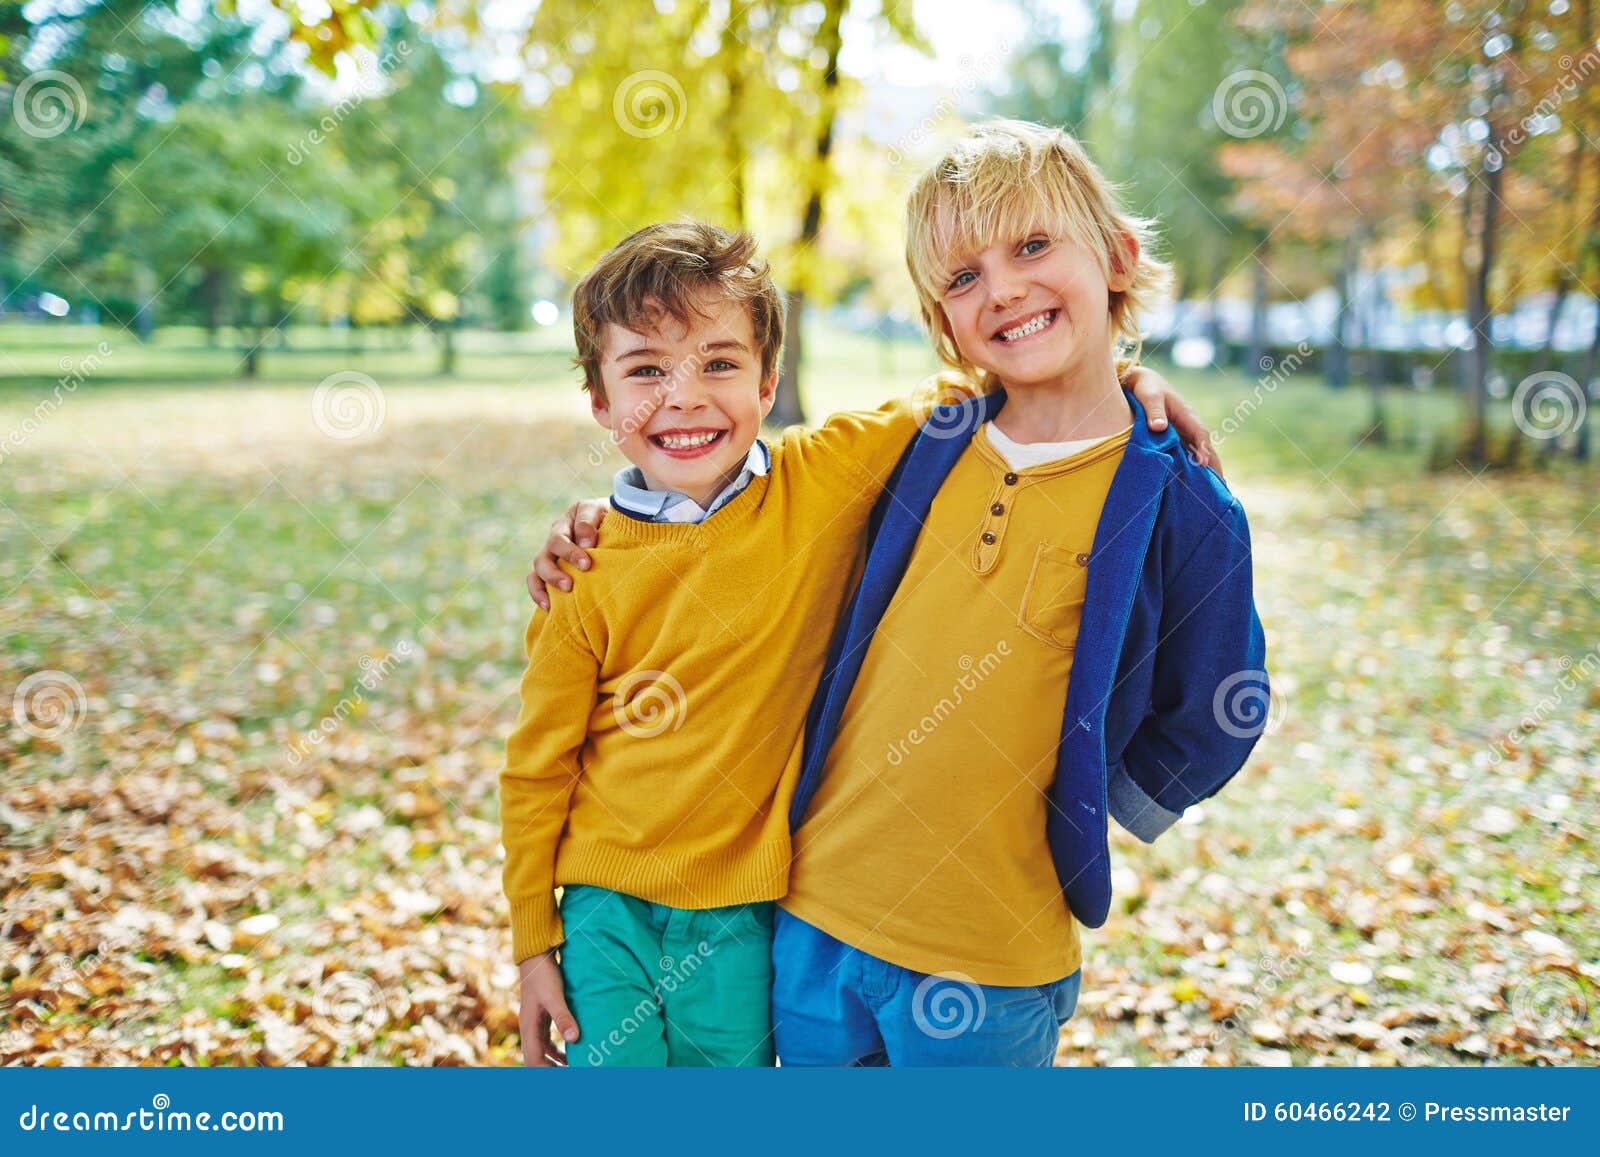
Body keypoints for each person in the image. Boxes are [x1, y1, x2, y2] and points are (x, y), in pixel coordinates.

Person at [517, 170, 1232, 1066]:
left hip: (952, 938)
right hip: (782, 913)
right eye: (964, 277)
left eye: (1035, 247)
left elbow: (1214, 686)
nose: (1004, 288)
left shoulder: (1157, 486)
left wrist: (1130, 378)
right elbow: (544, 752)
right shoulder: (925, 445)